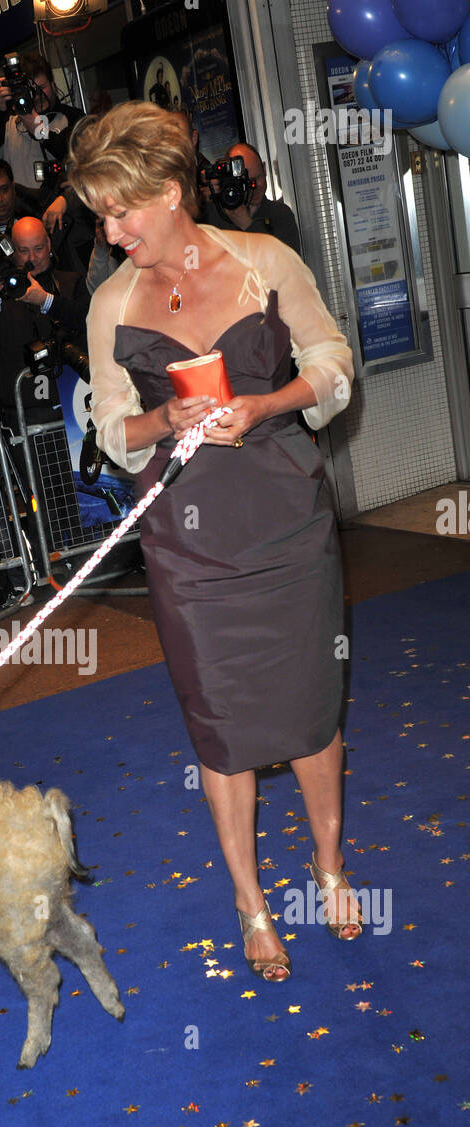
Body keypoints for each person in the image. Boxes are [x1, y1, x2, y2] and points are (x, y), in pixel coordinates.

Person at [68, 101, 360, 982]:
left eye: (121, 210)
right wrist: (165, 415)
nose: (112, 230)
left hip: (285, 520)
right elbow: (111, 433)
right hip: (188, 545)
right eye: (98, 216)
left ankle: (329, 868)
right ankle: (249, 900)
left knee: (311, 712)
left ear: (168, 190)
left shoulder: (263, 260)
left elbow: (333, 365)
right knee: (222, 728)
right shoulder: (111, 302)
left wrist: (264, 404)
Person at [0, 214, 89, 424]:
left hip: (73, 401)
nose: (32, 258)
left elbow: (88, 322)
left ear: (49, 244)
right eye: (23, 250)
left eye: (38, 248)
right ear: (12, 250)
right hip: (20, 408)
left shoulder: (71, 282)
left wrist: (46, 301)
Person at [0, 52, 82, 192]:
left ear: (53, 84)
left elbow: (83, 156)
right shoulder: (7, 122)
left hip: (63, 208)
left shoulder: (73, 117)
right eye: (32, 90)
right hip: (22, 209)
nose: (38, 96)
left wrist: (39, 131)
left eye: (42, 87)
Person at [201, 141, 301, 254]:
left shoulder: (280, 215)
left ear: (264, 169)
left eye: (258, 178)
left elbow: (287, 266)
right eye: (248, 181)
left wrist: (248, 225)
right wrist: (205, 200)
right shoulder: (216, 215)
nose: (255, 186)